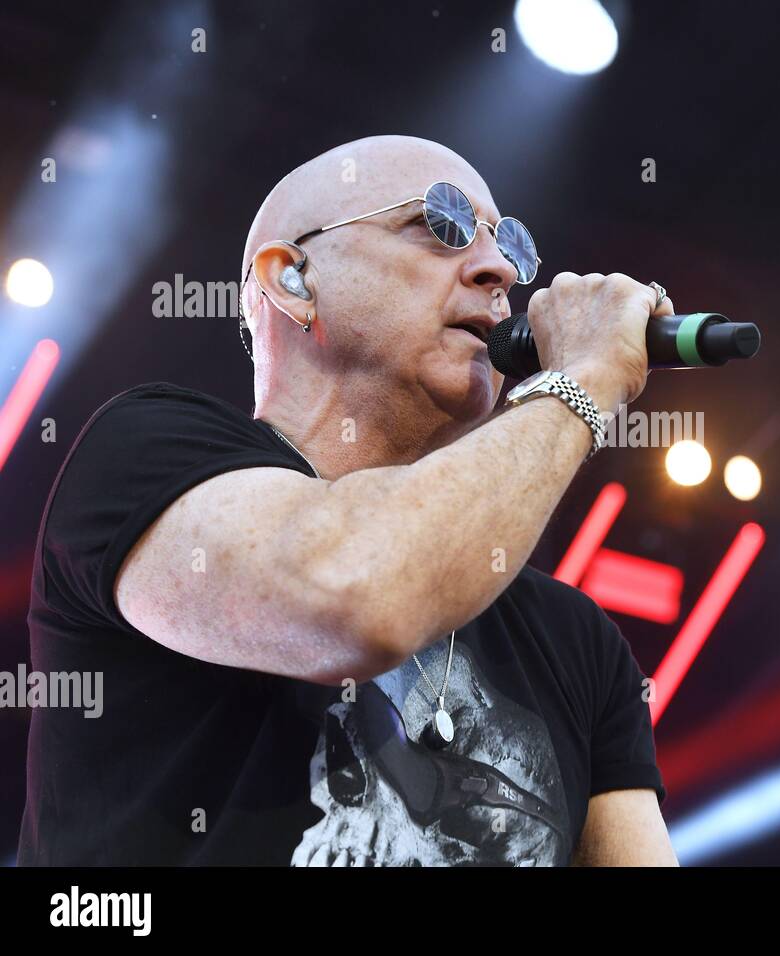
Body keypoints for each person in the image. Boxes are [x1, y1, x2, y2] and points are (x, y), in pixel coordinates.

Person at [19, 134, 678, 866]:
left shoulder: (575, 638)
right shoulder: (146, 453)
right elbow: (361, 597)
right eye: (440, 226)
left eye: (511, 249)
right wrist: (582, 382)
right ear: (292, 278)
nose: (498, 271)